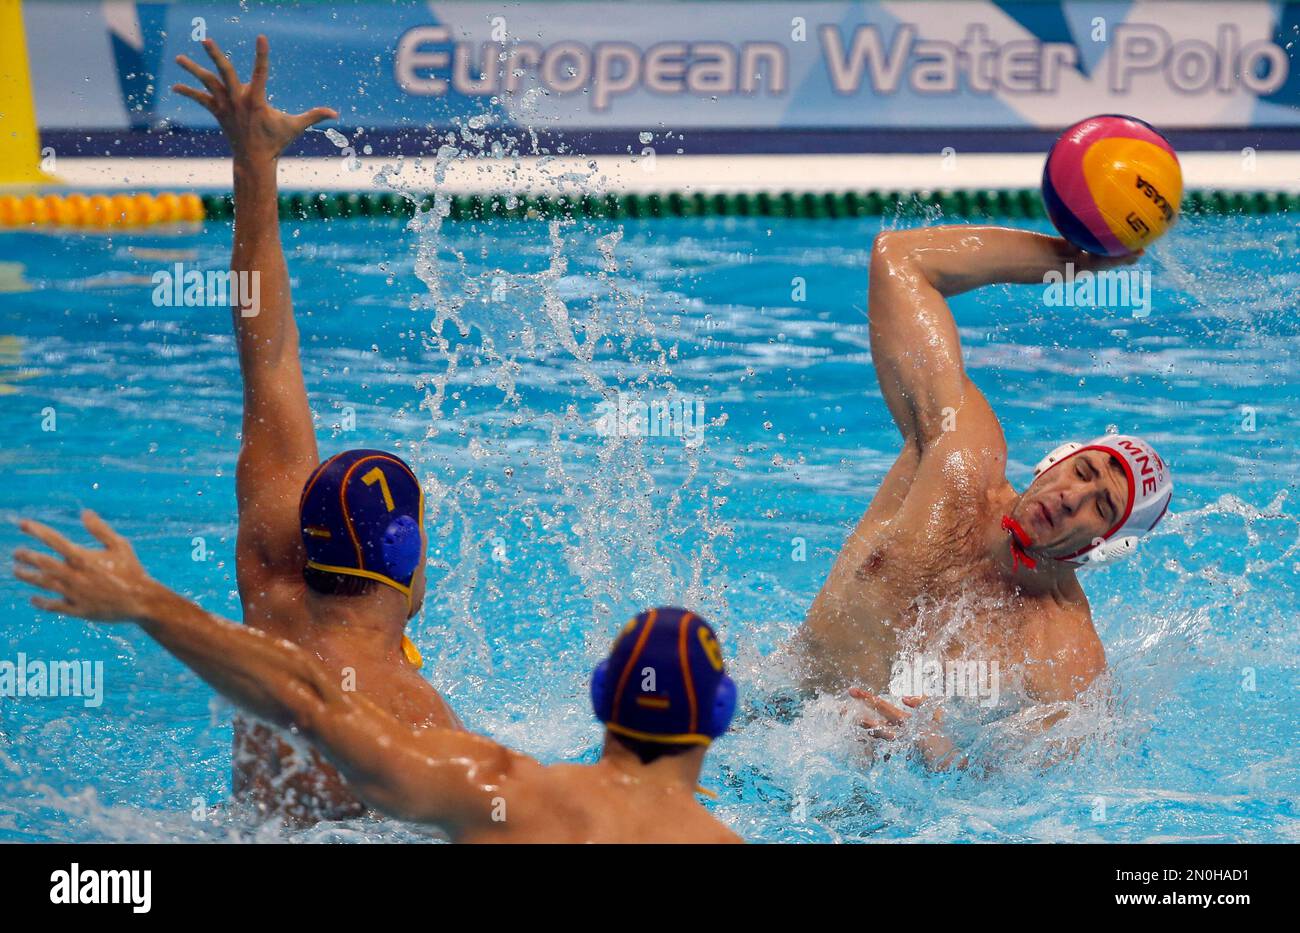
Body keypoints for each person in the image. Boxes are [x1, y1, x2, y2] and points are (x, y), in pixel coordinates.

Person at [10, 523, 741, 843]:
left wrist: (145, 600)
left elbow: (307, 697)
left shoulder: (498, 792)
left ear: (599, 695)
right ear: (721, 712)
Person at [170, 34, 459, 822]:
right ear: (408, 563)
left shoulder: (269, 583)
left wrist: (254, 164)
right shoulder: (420, 720)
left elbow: (268, 355)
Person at [796, 226, 1173, 767]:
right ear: (1057, 459)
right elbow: (901, 260)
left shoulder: (1067, 658)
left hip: (868, 811)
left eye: (1102, 507)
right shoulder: (958, 457)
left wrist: (941, 761)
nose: (1072, 497)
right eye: (1082, 471)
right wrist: (1074, 264)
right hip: (766, 725)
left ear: (1108, 545)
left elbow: (1015, 799)